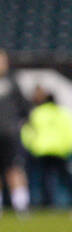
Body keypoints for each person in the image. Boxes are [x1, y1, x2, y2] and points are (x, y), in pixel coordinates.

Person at [20, 86, 72, 209]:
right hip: (61, 150)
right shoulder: (63, 113)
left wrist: (31, 146)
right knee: (66, 177)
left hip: (43, 150)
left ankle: (48, 204)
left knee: (46, 178)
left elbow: (27, 132)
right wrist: (69, 146)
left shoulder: (38, 113)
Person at [0, 50, 31, 216]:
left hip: (9, 135)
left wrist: (19, 124)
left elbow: (25, 108)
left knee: (15, 169)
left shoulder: (12, 82)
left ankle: (21, 206)